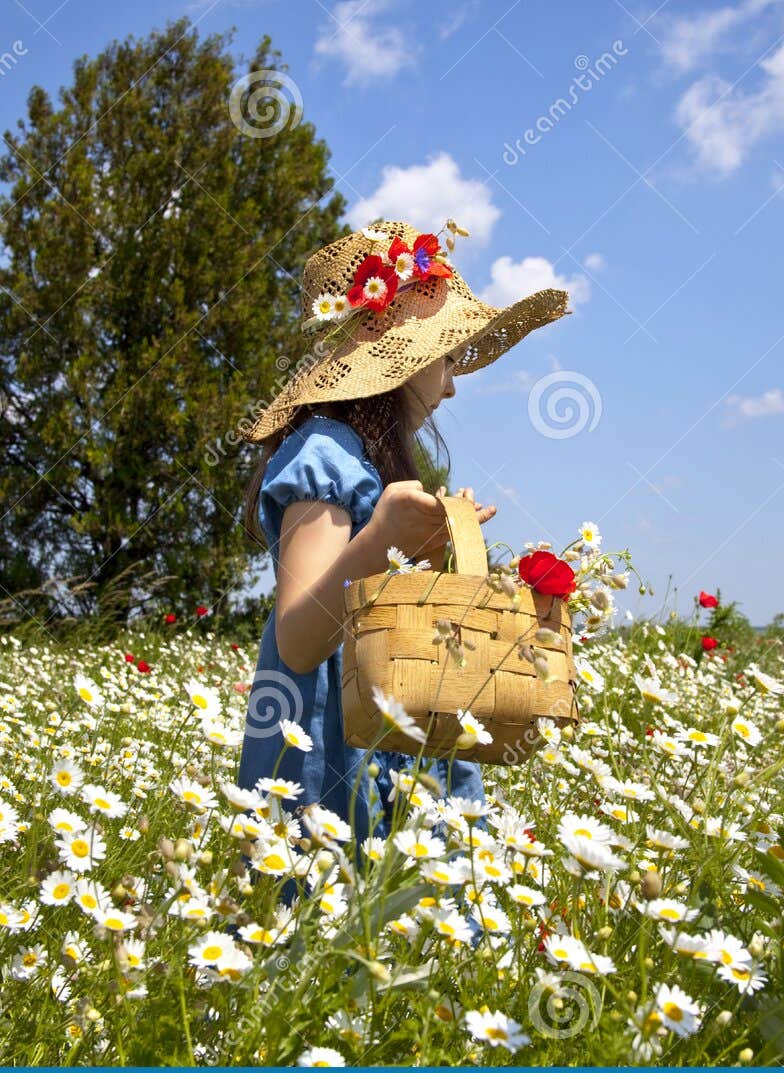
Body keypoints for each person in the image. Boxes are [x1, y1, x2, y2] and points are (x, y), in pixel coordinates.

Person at [235, 218, 571, 844]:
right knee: (327, 921)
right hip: (325, 754)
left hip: (388, 732)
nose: (449, 383)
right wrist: (379, 540)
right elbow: (299, 641)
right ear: (396, 357)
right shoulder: (324, 457)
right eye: (444, 357)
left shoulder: (368, 462)